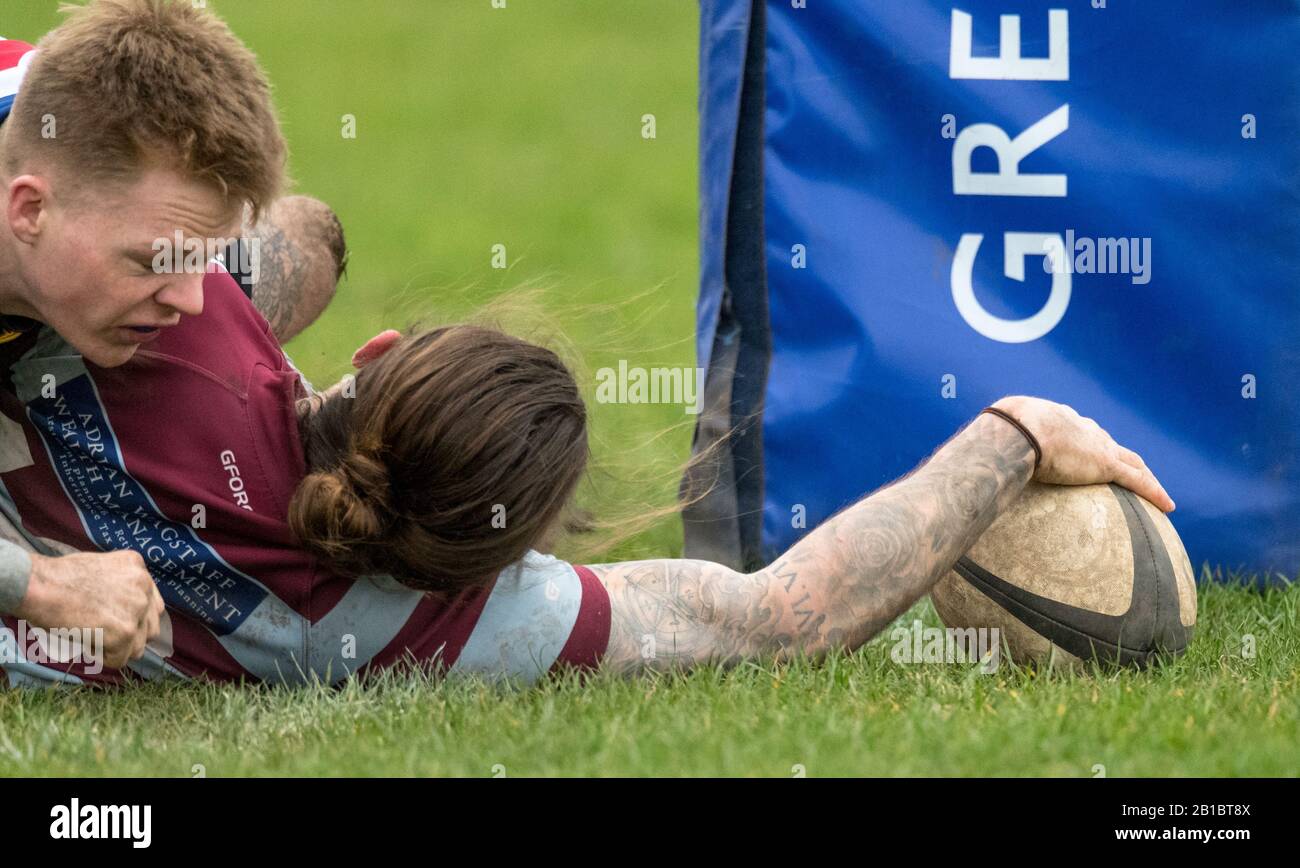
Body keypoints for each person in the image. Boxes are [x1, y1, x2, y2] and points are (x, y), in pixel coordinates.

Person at [0, 254, 1172, 686]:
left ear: (379, 352)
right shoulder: (439, 634)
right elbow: (781, 618)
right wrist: (1006, 435)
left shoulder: (169, 306)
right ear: (505, 561)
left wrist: (265, 260)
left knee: (305, 235)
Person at [0, 0, 348, 669]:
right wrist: (41, 585)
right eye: (155, 260)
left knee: (308, 247)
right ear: (30, 208)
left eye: (198, 256)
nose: (191, 299)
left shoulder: (68, 112)